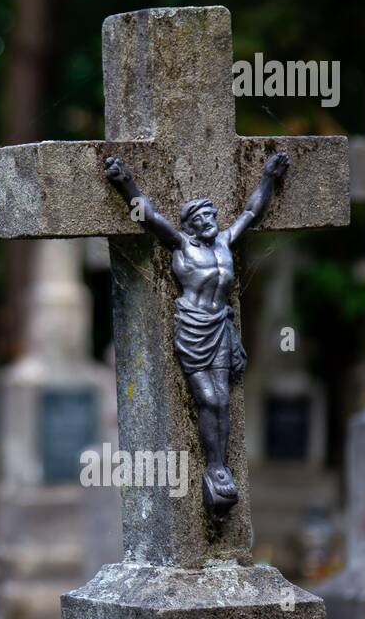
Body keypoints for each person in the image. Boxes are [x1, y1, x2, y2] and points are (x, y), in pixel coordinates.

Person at [103, 151, 289, 512]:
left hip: (220, 326)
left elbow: (252, 212)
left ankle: (220, 468)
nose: (209, 222)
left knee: (224, 397)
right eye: (201, 218)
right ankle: (216, 465)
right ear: (189, 225)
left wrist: (268, 177)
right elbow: (151, 216)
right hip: (193, 327)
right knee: (209, 399)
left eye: (212, 216)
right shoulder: (182, 246)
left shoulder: (224, 242)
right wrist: (124, 180)